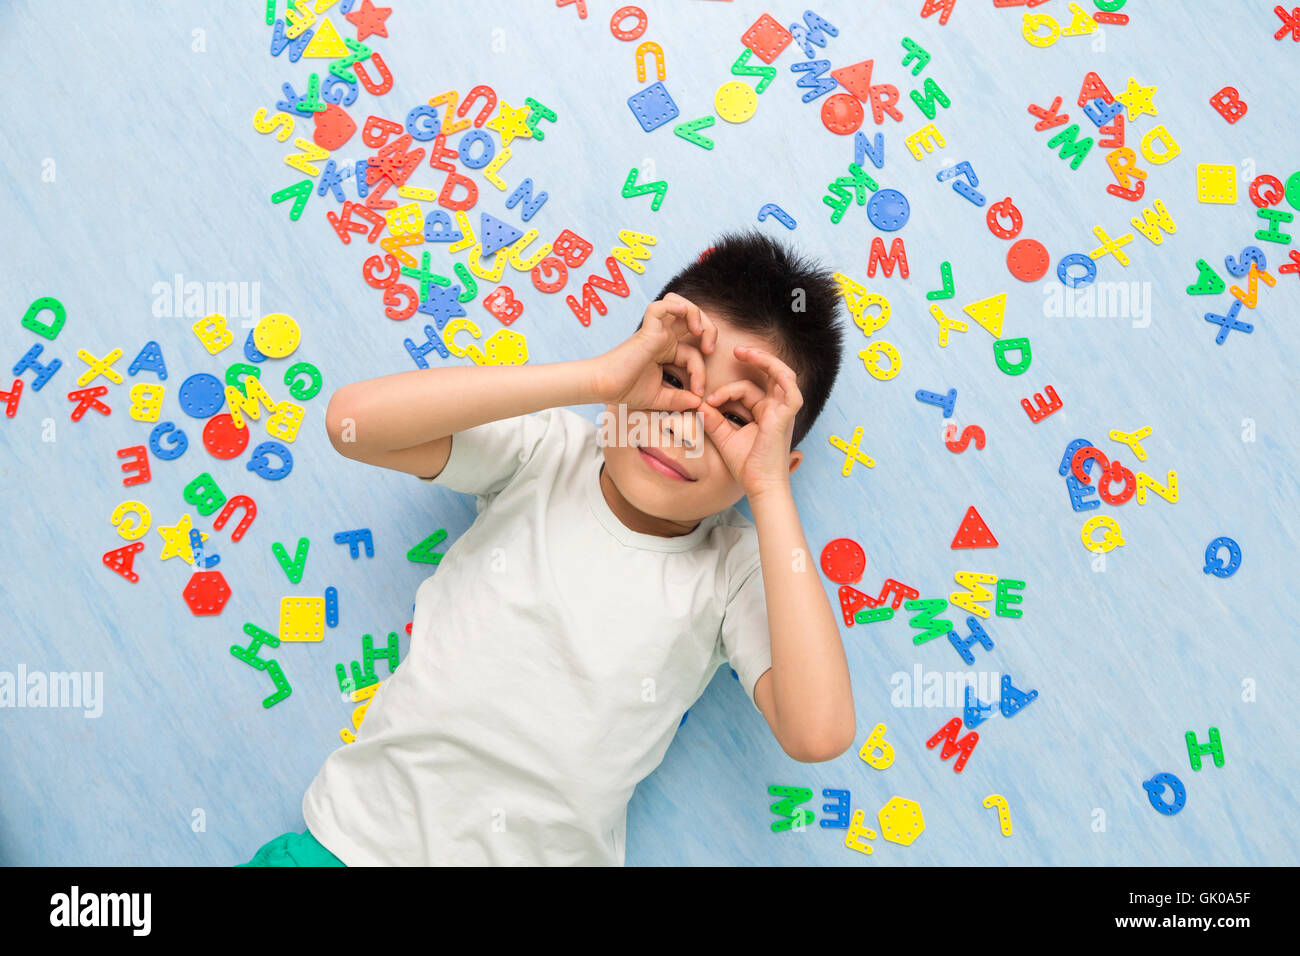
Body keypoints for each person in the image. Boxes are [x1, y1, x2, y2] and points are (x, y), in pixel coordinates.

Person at [241, 229, 856, 866]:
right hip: (352, 846)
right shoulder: (543, 451)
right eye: (672, 379)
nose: (682, 425)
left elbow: (818, 732)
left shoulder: (734, 571)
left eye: (734, 418)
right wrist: (595, 378)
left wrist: (767, 488)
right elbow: (351, 425)